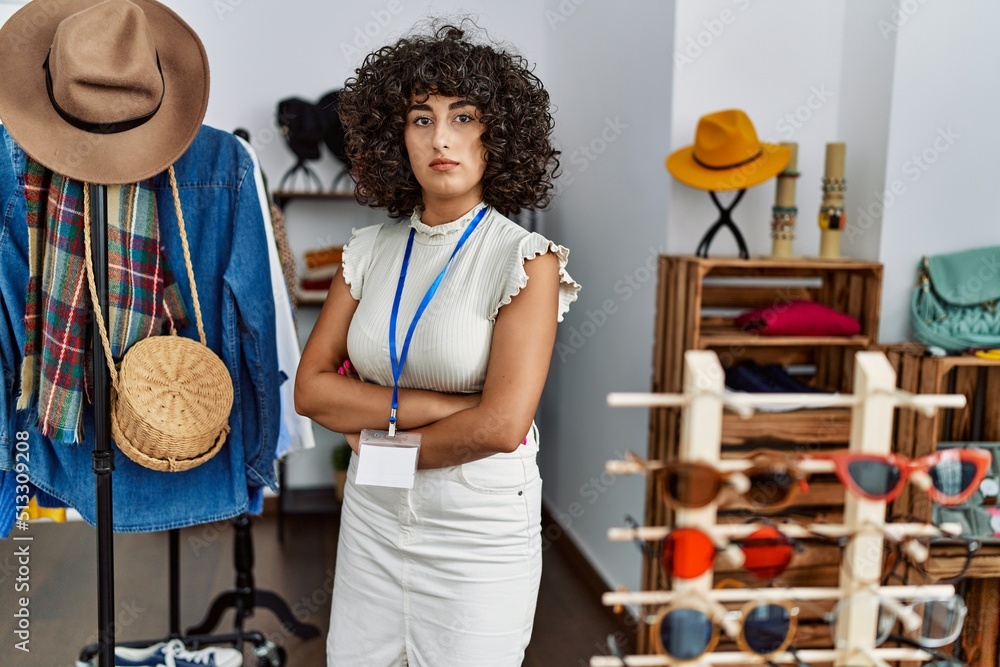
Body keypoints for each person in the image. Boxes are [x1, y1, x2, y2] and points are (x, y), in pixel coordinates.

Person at [294, 21, 580, 667]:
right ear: (395, 137)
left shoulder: (525, 259)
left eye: (464, 116)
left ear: (497, 135)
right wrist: (438, 407)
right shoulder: (367, 250)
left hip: (476, 525)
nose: (441, 137)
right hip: (373, 514)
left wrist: (378, 430)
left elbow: (504, 426)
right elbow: (311, 390)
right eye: (420, 118)